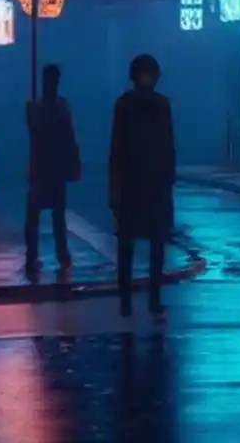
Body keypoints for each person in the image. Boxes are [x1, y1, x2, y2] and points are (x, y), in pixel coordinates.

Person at [109, 54, 176, 320]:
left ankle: (145, 299)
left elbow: (168, 145)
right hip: (139, 184)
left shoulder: (144, 105)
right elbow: (118, 149)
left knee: (144, 246)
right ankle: (138, 300)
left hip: (145, 184)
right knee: (137, 246)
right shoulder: (134, 105)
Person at [25, 64, 78, 273]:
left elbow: (66, 137)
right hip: (48, 168)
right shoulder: (50, 108)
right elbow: (68, 138)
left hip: (46, 168)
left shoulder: (41, 107)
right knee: (51, 216)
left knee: (45, 216)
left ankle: (43, 255)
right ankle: (56, 255)